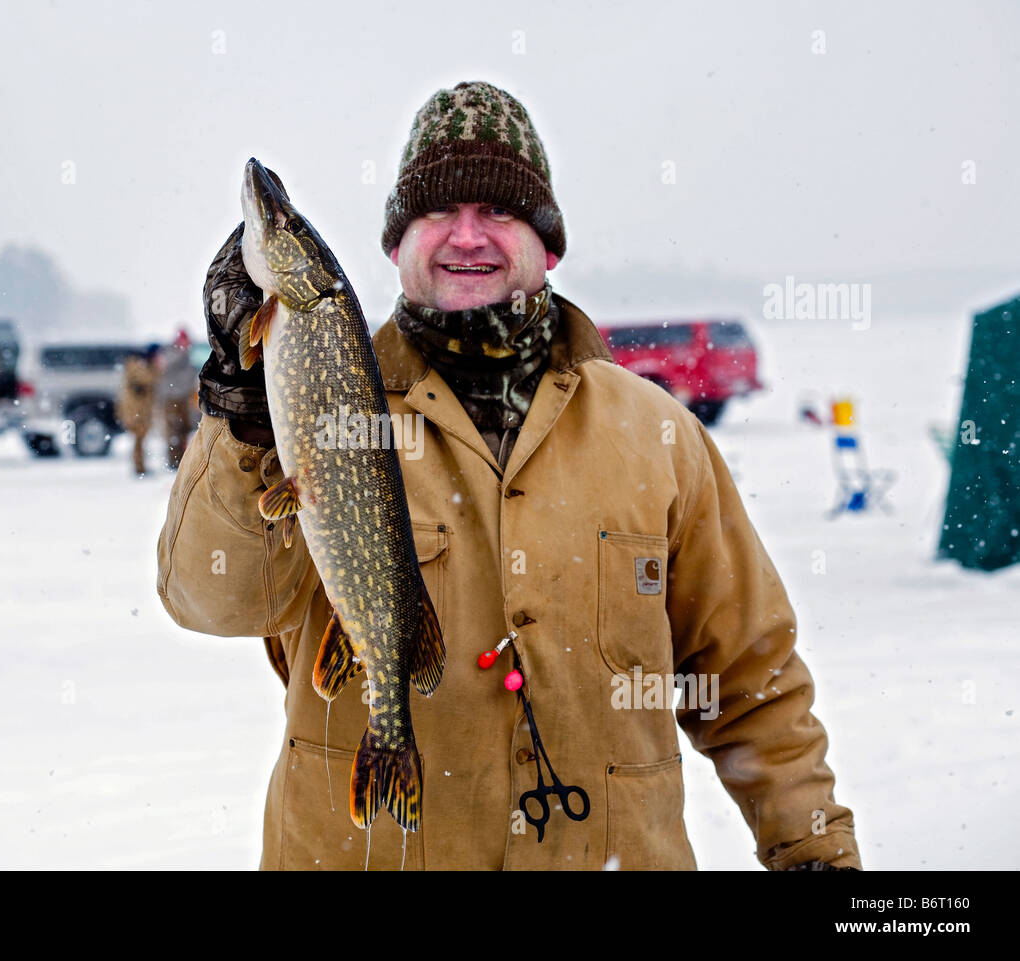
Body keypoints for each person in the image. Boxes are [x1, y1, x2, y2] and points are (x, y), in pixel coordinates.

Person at [157, 81, 861, 870]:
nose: (467, 235)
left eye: (497, 209)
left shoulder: (657, 433)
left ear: (547, 243)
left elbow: (751, 677)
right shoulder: (316, 413)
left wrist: (814, 851)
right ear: (396, 244)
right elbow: (209, 599)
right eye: (437, 211)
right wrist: (246, 413)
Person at [157, 328, 198, 470]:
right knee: (174, 430)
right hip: (171, 399)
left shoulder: (187, 356)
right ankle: (174, 461)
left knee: (185, 429)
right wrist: (181, 353)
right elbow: (166, 367)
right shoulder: (170, 354)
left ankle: (181, 459)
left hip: (184, 398)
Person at [116, 344, 159, 477]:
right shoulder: (136, 367)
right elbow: (149, 379)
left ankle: (140, 466)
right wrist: (154, 368)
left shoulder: (134, 367)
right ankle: (139, 467)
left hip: (138, 411)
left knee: (140, 440)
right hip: (136, 412)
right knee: (138, 440)